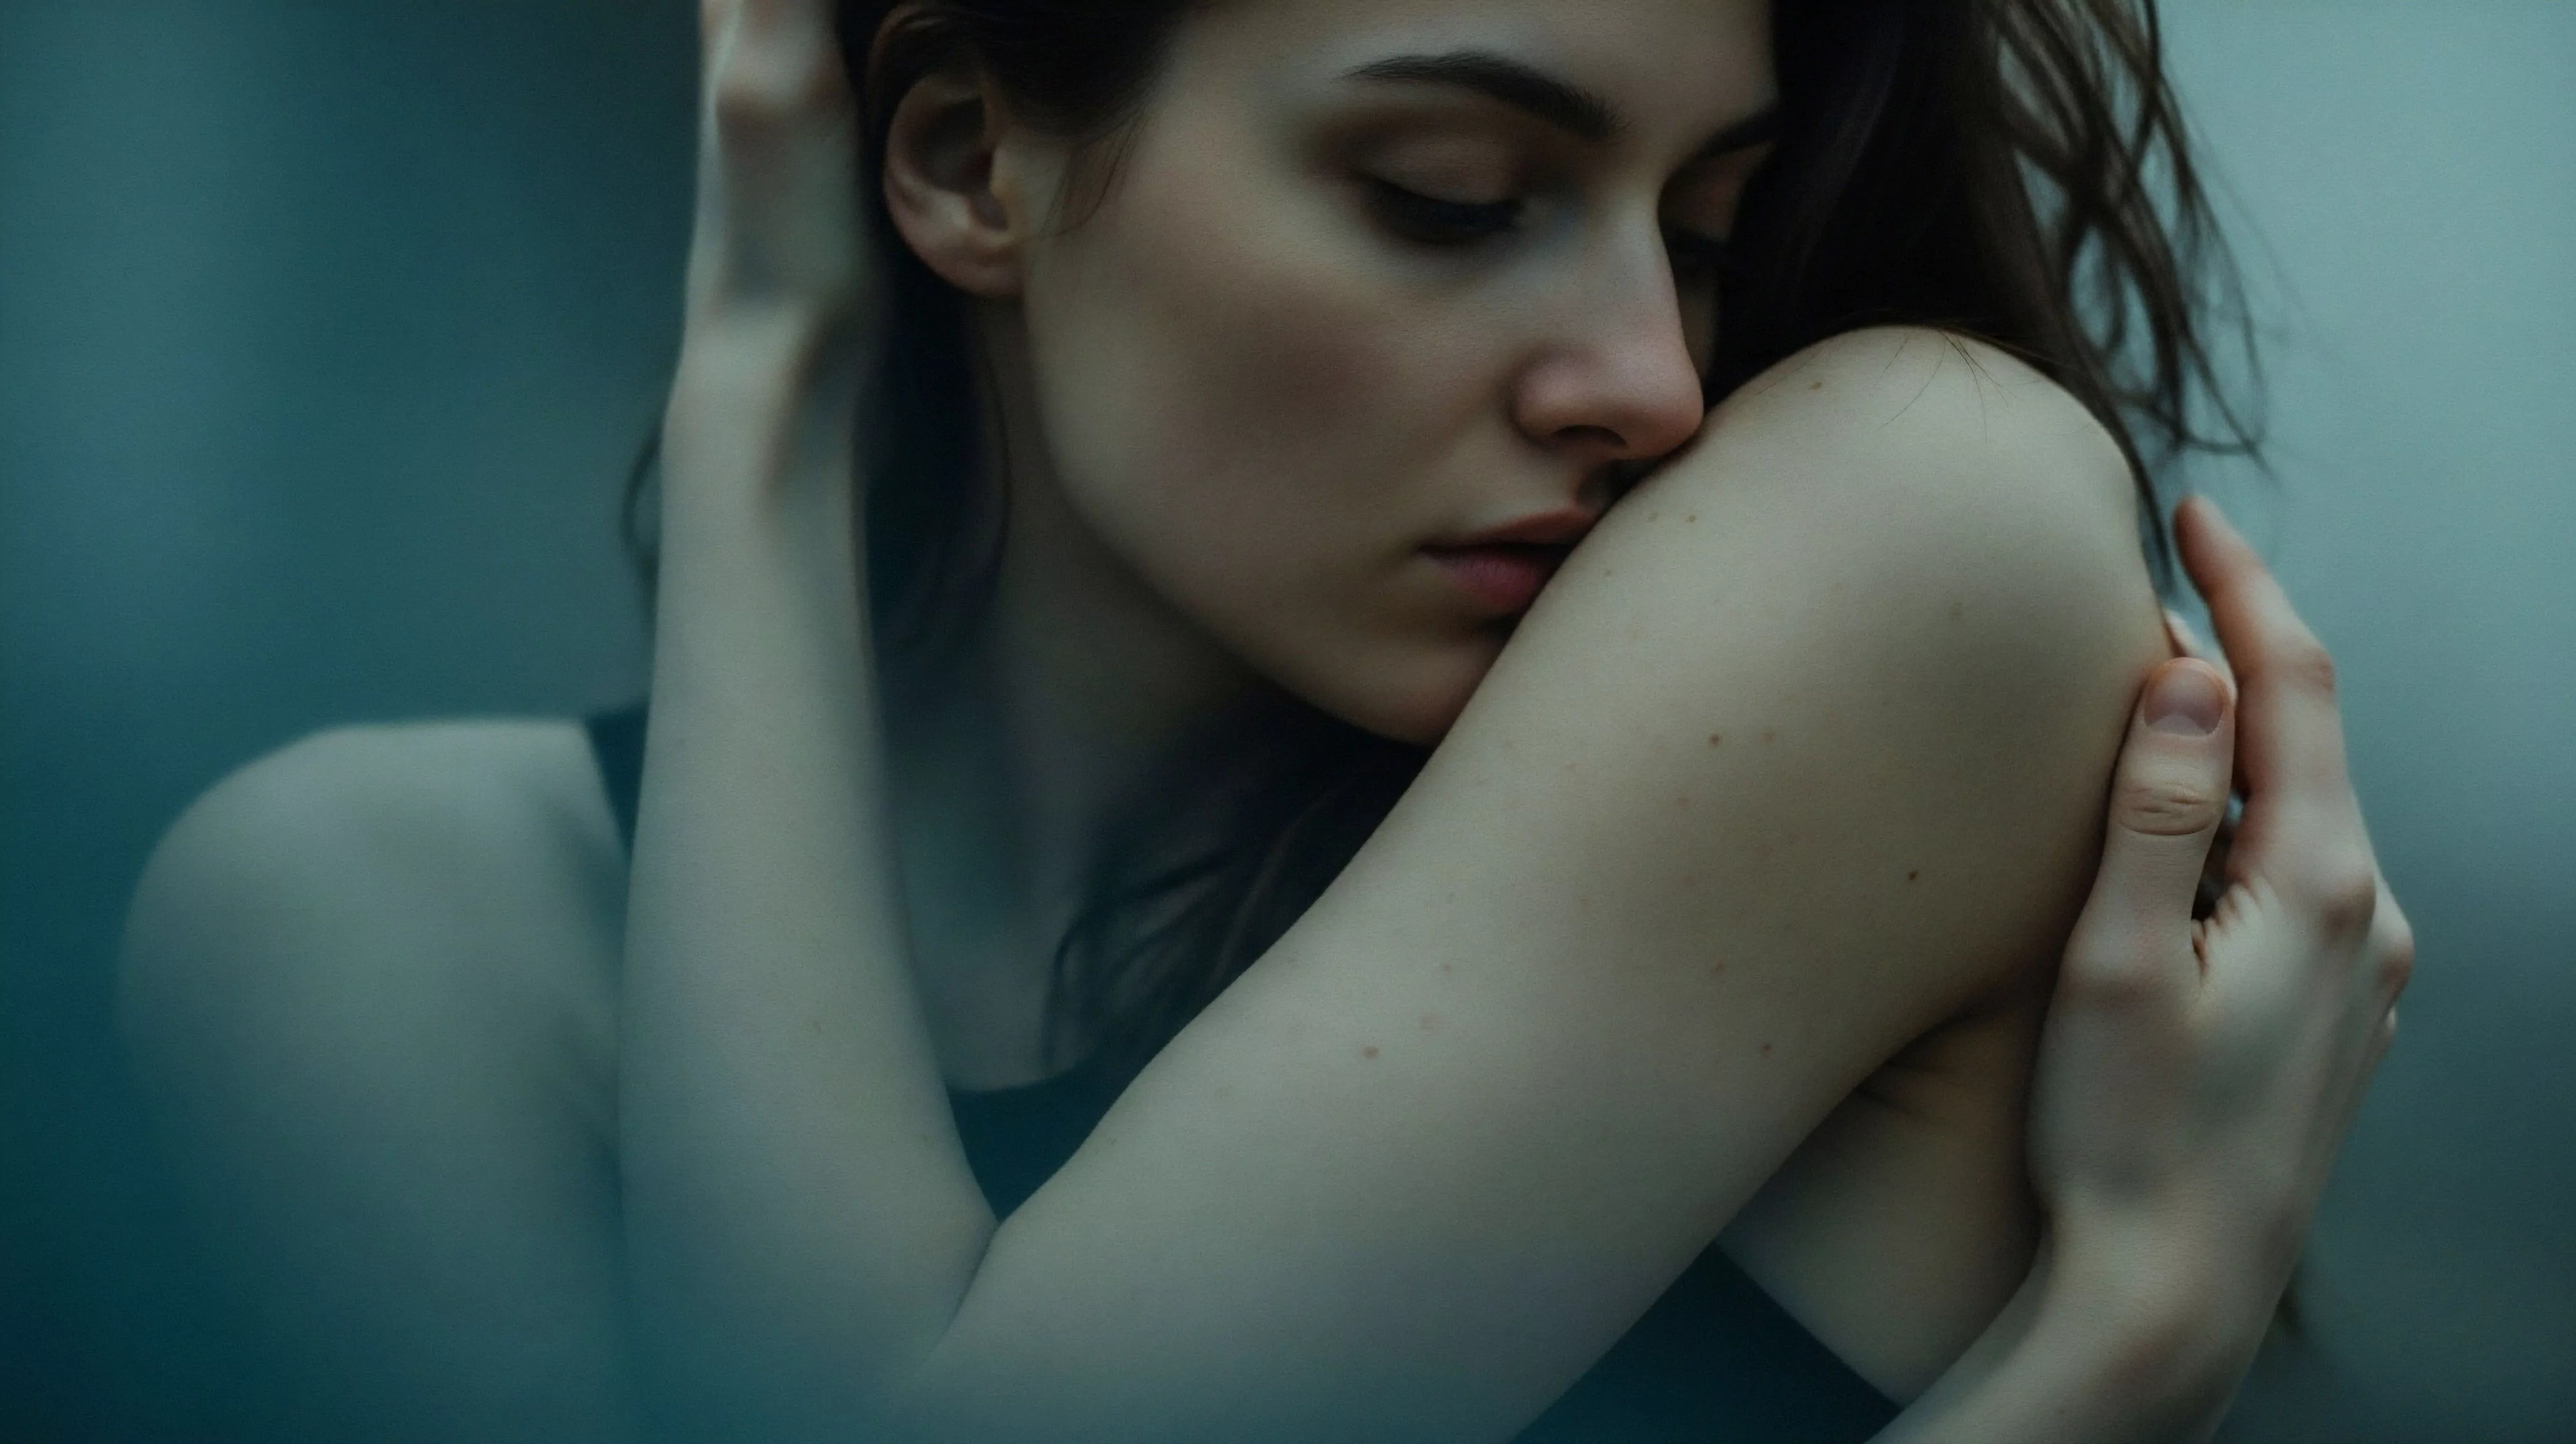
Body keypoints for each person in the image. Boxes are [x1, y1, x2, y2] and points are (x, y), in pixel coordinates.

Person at [115, 1, 2412, 1441]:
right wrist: (2110, 1366)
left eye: (1704, 226)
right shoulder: (380, 928)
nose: (1654, 378)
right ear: (956, 158)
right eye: (1456, 197)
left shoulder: (1917, 528)